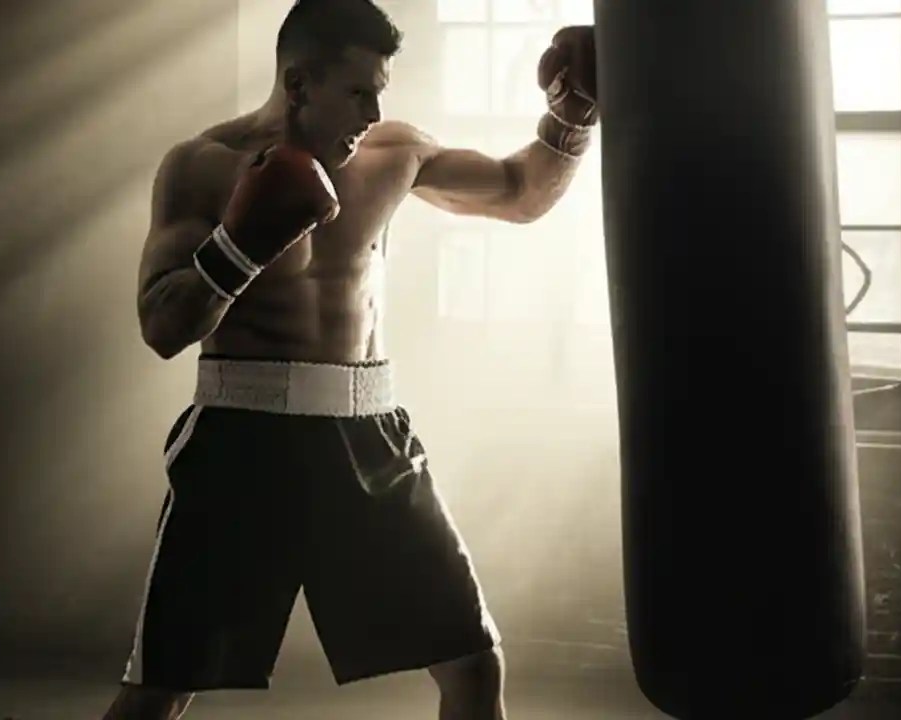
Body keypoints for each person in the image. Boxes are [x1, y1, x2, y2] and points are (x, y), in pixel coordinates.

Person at [103, 1, 597, 718]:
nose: (373, 109)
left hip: (369, 439)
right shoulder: (203, 166)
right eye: (359, 91)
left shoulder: (395, 156)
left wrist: (571, 119)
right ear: (299, 83)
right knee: (159, 689)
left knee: (474, 662)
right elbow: (161, 324)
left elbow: (522, 193)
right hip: (240, 439)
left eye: (381, 90)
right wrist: (239, 247)